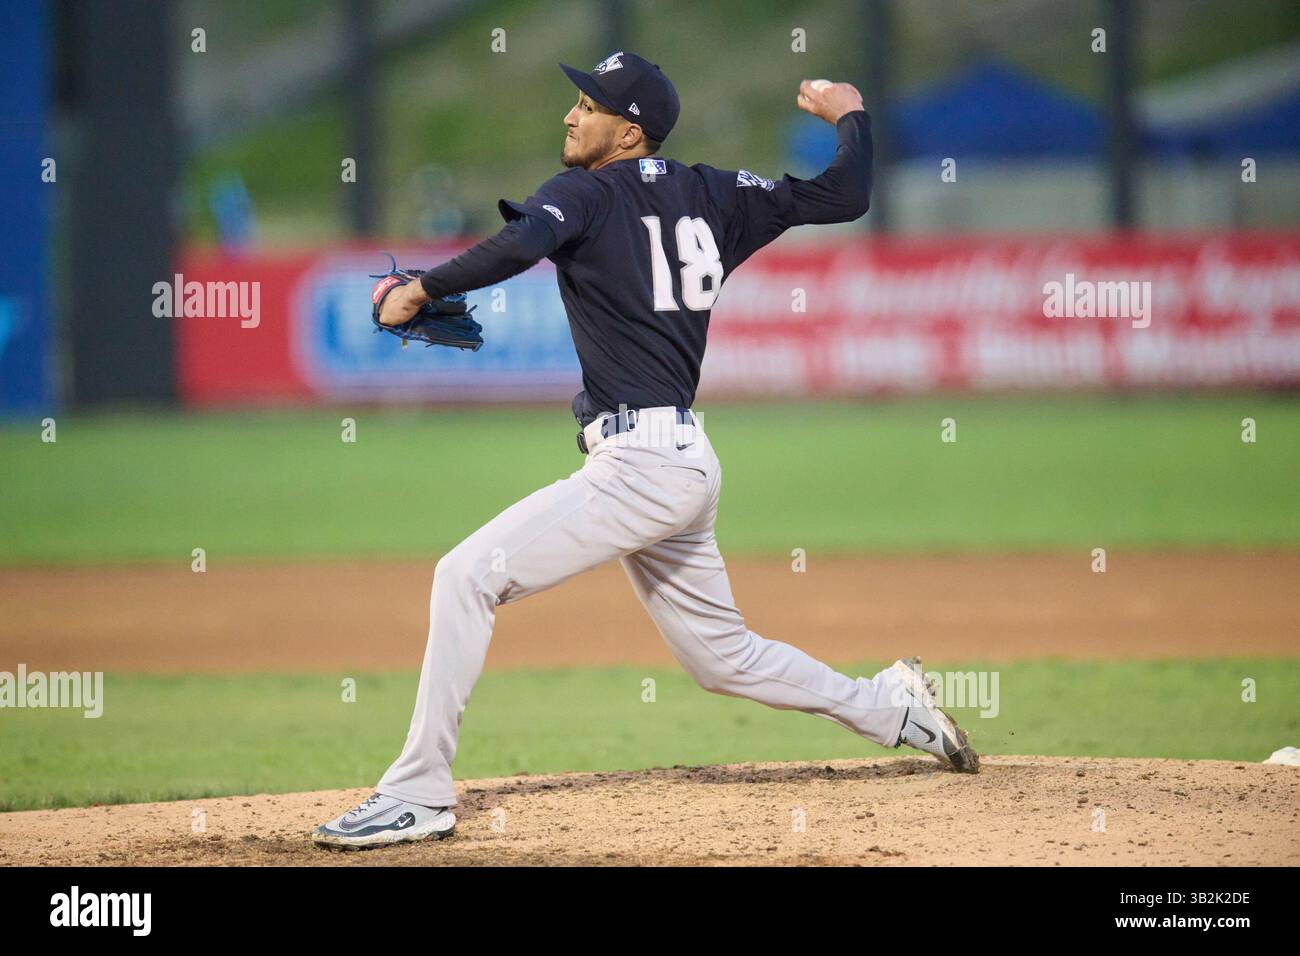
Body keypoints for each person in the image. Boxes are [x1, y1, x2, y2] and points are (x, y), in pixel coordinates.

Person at [313, 52, 977, 849]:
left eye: (587, 105)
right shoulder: (719, 193)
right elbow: (847, 193)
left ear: (628, 131)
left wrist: (418, 290)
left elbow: (522, 244)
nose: (570, 116)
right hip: (684, 461)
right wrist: (850, 114)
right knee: (722, 658)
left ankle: (417, 794)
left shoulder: (585, 193)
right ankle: (893, 707)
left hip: (643, 467)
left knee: (463, 578)